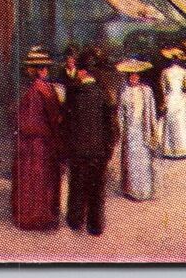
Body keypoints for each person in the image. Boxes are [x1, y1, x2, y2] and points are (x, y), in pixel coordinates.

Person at [64, 53, 116, 235]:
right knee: (96, 189)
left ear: (83, 72)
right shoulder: (103, 94)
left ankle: (75, 220)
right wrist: (108, 149)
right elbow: (112, 126)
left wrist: (68, 148)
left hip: (78, 150)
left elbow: (68, 124)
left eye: (78, 70)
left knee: (77, 185)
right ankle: (95, 225)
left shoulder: (74, 94)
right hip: (98, 150)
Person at [12, 46, 64, 231]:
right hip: (40, 141)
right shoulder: (41, 90)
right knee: (39, 178)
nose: (45, 71)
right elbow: (44, 117)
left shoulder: (39, 89)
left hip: (36, 142)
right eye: (42, 68)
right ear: (36, 71)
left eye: (45, 68)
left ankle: (36, 216)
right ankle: (39, 217)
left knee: (36, 178)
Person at [115, 58, 158, 201]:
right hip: (130, 131)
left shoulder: (147, 91)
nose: (133, 77)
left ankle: (144, 190)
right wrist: (122, 130)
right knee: (131, 160)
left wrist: (153, 130)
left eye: (136, 75)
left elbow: (152, 112)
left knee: (144, 160)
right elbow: (120, 113)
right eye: (131, 75)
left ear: (139, 76)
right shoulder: (124, 91)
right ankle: (132, 190)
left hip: (142, 130)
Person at [157, 48, 186, 159]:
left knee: (171, 124)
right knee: (181, 124)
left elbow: (163, 90)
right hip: (180, 99)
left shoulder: (165, 72)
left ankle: (170, 149)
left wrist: (165, 100)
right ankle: (181, 149)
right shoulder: (184, 72)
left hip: (170, 99)